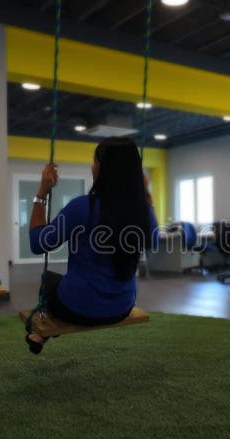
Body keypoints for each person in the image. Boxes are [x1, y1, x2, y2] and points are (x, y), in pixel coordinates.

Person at [25, 137, 158, 354]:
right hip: (122, 307)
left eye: (94, 161)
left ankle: (42, 333)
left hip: (78, 307)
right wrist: (146, 195)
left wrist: (42, 193)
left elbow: (37, 243)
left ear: (102, 168)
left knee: (48, 280)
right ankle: (41, 333)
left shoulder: (82, 207)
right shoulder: (142, 211)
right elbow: (153, 242)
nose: (91, 166)